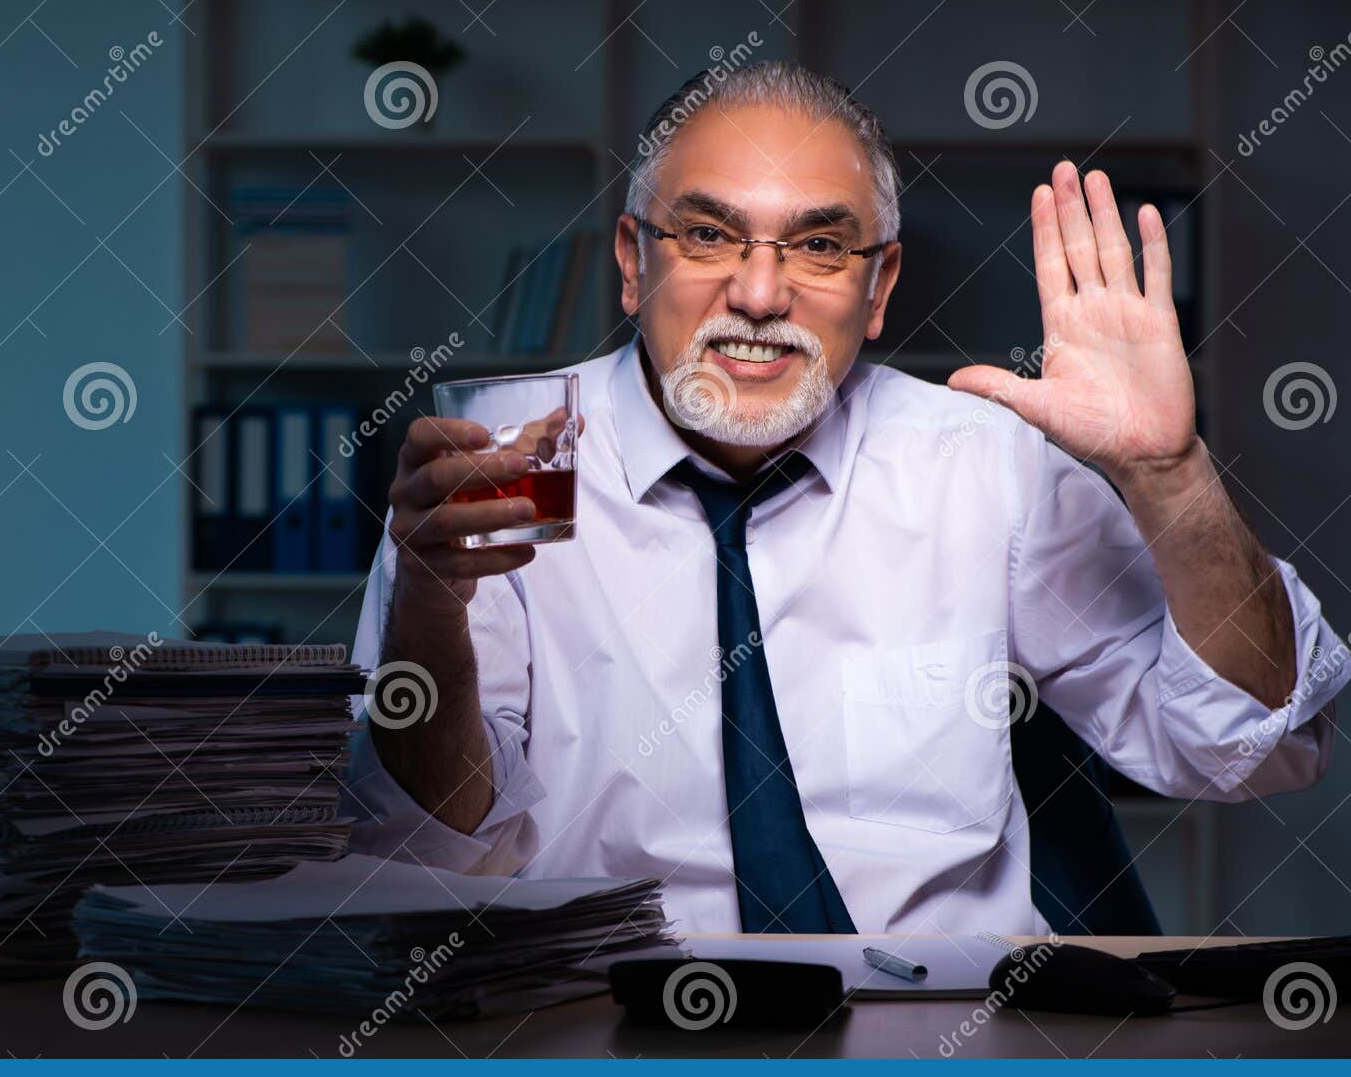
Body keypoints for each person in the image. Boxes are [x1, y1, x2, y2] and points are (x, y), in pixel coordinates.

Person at [343, 60, 1347, 934]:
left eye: (819, 247)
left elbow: (1252, 747)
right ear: (629, 262)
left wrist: (1168, 475)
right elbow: (421, 852)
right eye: (705, 235)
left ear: (877, 289)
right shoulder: (504, 462)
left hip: (939, 1048)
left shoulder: (979, 465)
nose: (760, 293)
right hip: (604, 1036)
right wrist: (430, 606)